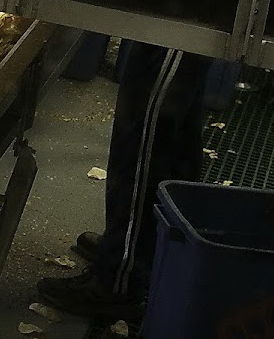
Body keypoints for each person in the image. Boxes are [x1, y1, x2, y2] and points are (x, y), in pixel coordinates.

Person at [38, 42, 211, 321]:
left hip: (184, 15)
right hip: (184, 15)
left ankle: (120, 276)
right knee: (174, 132)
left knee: (144, 140)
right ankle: (151, 248)